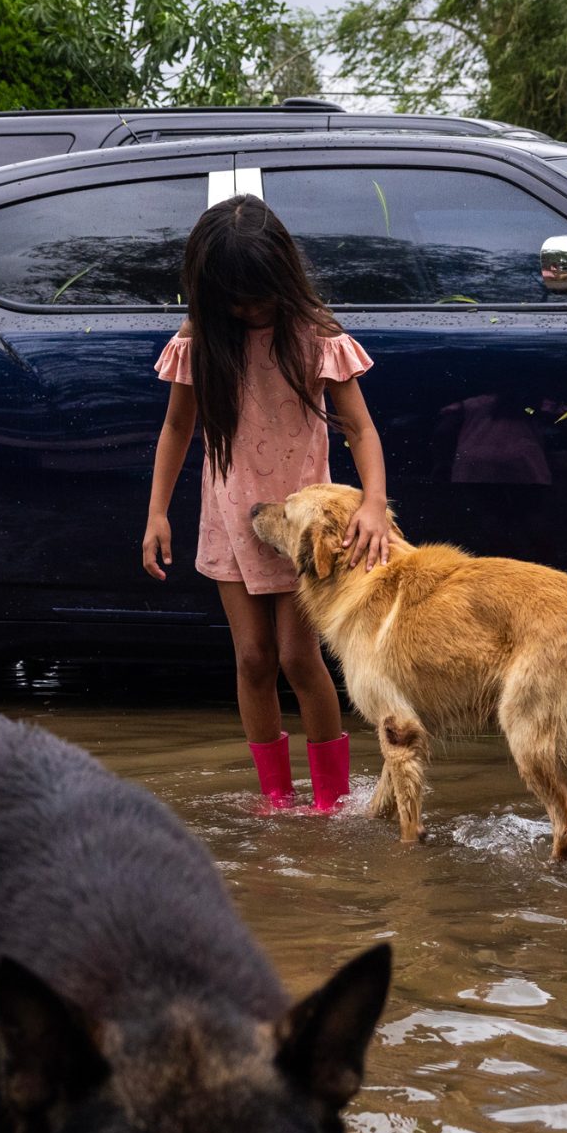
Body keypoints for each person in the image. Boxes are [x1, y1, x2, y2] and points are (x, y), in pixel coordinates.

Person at [144, 196, 395, 810]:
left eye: (260, 296)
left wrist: (373, 504)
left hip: (304, 528)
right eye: (235, 299)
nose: (250, 310)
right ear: (208, 293)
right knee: (254, 659)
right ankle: (277, 802)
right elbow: (178, 429)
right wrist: (156, 512)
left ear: (283, 277)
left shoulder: (315, 336)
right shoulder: (200, 341)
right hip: (230, 519)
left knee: (298, 655)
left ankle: (330, 802)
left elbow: (359, 428)